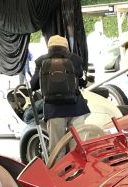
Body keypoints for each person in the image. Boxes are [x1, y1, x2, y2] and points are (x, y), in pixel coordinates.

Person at [31, 34, 88, 162]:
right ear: (66, 47)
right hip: (76, 108)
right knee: (78, 147)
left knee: (57, 149)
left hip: (53, 110)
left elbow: (33, 85)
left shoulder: (40, 61)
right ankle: (79, 176)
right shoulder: (76, 59)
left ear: (49, 47)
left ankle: (59, 177)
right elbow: (82, 80)